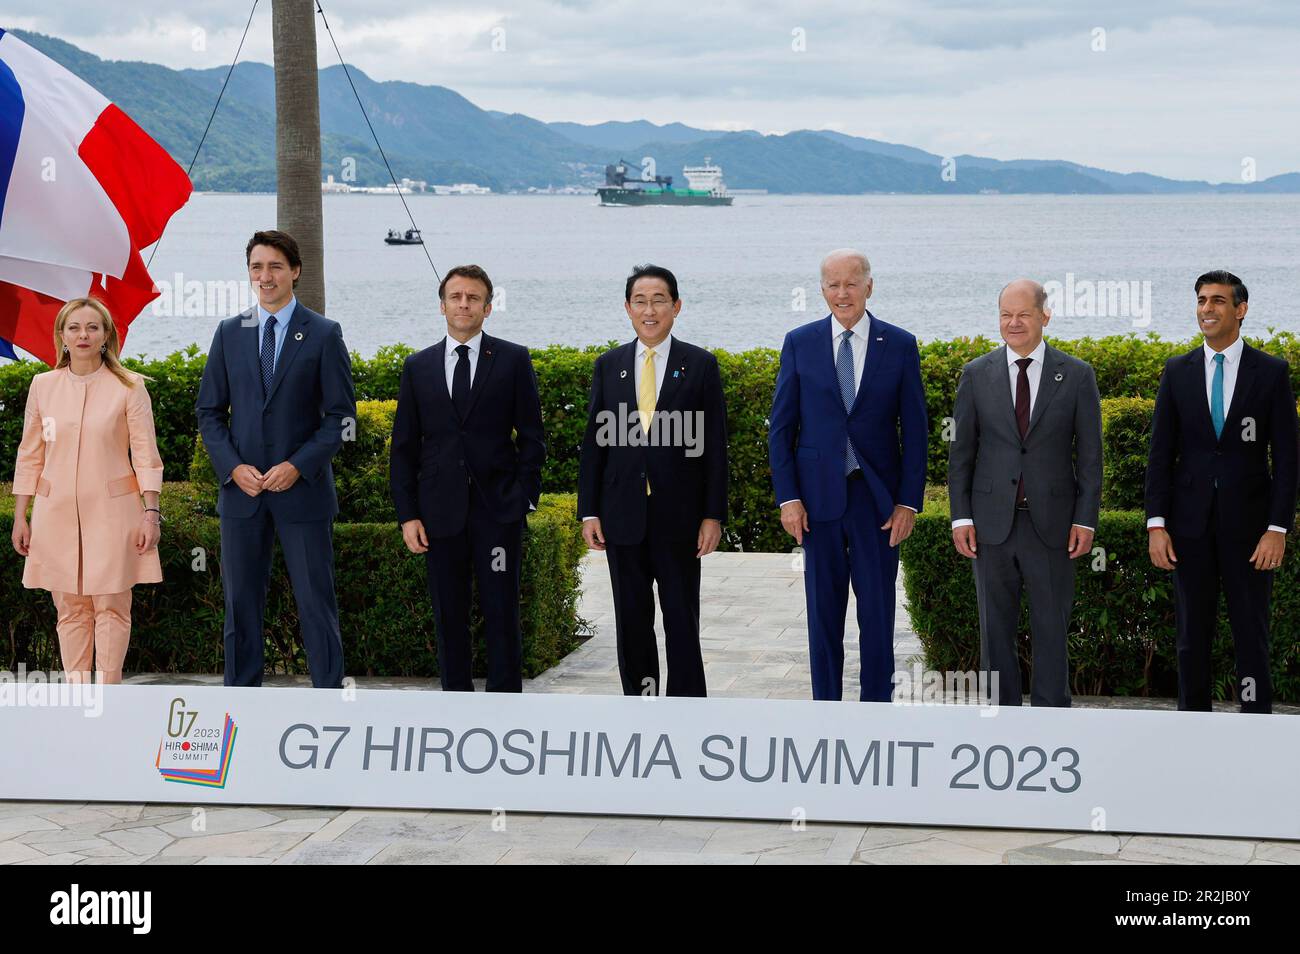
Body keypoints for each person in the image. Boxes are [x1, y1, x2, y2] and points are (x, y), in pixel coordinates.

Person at [195, 229, 355, 689]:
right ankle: (241, 701)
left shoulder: (324, 334)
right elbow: (209, 412)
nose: (265, 277)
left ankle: (328, 697)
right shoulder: (229, 333)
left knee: (315, 602)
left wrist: (297, 465)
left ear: (295, 272)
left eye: (275, 267)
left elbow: (341, 417)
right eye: (257, 267)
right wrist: (232, 467)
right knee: (240, 604)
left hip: (302, 494)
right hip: (242, 495)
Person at [768, 249, 928, 701]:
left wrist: (908, 502)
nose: (843, 293)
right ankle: (827, 712)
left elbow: (915, 433)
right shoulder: (799, 342)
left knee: (877, 617)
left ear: (869, 286)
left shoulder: (899, 345)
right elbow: (781, 429)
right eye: (833, 284)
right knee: (822, 617)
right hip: (816, 505)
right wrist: (788, 498)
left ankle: (876, 712)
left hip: (877, 503)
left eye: (851, 283)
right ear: (822, 290)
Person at [1145, 270, 1299, 713]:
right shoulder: (1177, 371)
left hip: (1251, 532)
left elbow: (1287, 459)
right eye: (1200, 301)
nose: (1206, 309)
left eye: (1216, 301)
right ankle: (1193, 727)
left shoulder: (1270, 372)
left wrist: (1277, 529)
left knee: (1251, 635)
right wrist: (1157, 524)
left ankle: (1256, 726)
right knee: (1191, 638)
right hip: (1188, 529)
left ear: (1241, 310)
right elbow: (1161, 454)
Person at [389, 265, 546, 692]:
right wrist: (408, 515)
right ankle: (455, 703)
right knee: (448, 614)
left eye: (473, 297)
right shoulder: (417, 366)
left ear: (488, 307)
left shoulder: (513, 359)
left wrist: (524, 498)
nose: (464, 304)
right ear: (442, 306)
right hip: (439, 514)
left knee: (502, 613)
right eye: (456, 296)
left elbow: (533, 436)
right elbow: (403, 448)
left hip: (499, 511)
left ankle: (505, 705)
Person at [948, 279, 1102, 707]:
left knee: (1052, 629)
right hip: (991, 526)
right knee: (994, 631)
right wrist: (961, 517)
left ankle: (1052, 721)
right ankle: (1002, 720)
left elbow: (1091, 457)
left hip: (1052, 527)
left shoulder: (1076, 375)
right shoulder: (976, 374)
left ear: (1044, 316)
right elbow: (961, 453)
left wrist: (1085, 519)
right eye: (1005, 315)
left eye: (1023, 314)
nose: (1013, 323)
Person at [577, 264, 728, 697]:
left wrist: (712, 515)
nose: (649, 309)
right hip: (622, 518)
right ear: (627, 308)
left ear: (676, 306)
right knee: (632, 619)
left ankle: (686, 709)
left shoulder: (699, 364)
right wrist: (589, 510)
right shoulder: (609, 366)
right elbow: (594, 445)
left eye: (659, 300)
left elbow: (714, 448)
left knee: (681, 620)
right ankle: (641, 708)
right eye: (640, 301)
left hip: (678, 520)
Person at [10, 297, 163, 684]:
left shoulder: (129, 387)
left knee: (112, 606)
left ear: (106, 335)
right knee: (70, 608)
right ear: (61, 335)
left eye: (92, 327)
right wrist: (20, 516)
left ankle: (107, 695)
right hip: (54, 513)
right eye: (74, 327)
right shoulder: (43, 387)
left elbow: (146, 455)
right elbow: (30, 454)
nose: (83, 335)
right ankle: (78, 699)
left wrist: (151, 512)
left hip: (115, 515)